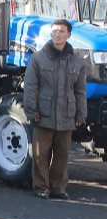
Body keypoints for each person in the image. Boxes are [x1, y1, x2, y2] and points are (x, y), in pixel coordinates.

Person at [23, 19, 86, 200]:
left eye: (61, 31)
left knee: (62, 155)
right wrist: (32, 111)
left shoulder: (77, 61)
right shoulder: (38, 58)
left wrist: (81, 114)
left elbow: (80, 90)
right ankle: (41, 187)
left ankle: (58, 188)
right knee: (40, 155)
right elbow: (31, 87)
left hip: (66, 114)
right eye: (54, 31)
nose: (57, 34)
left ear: (69, 34)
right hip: (43, 114)